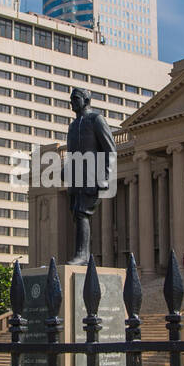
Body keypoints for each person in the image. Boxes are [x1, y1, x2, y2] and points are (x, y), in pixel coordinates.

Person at [64, 87, 117, 265]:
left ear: (86, 100)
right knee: (76, 214)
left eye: (76, 98)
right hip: (75, 178)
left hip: (92, 176)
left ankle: (82, 256)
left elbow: (110, 149)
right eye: (71, 98)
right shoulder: (72, 126)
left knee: (82, 213)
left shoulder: (96, 119)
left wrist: (105, 176)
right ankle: (82, 255)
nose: (72, 101)